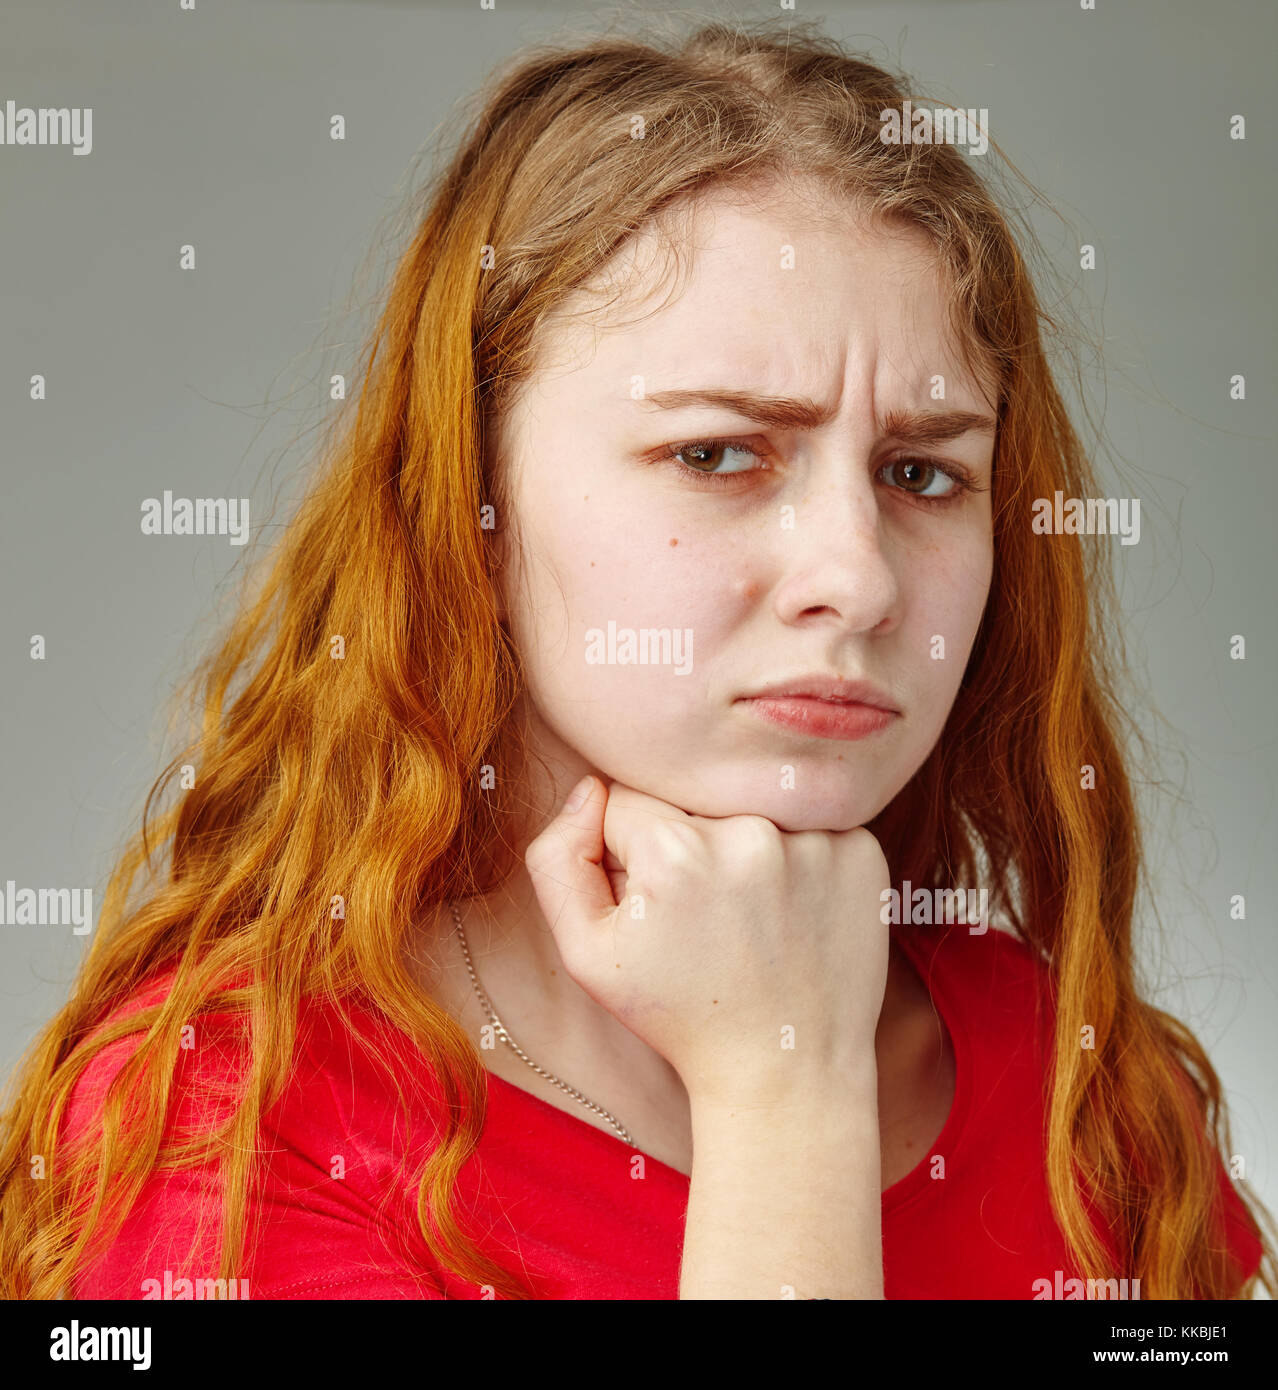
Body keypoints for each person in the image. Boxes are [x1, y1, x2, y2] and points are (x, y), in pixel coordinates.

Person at [0, 18, 1270, 1300]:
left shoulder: (1080, 1085)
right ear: (473, 506)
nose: (862, 576)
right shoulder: (234, 1129)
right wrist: (786, 1099)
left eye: (922, 474)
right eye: (720, 453)